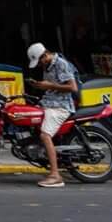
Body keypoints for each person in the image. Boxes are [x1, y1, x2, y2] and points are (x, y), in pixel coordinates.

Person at [26, 41, 78, 188]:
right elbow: (51, 88)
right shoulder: (47, 66)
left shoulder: (61, 64)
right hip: (48, 103)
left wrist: (49, 85)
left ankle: (55, 175)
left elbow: (72, 88)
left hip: (60, 107)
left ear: (45, 55)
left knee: (45, 135)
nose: (40, 64)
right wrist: (38, 86)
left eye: (40, 60)